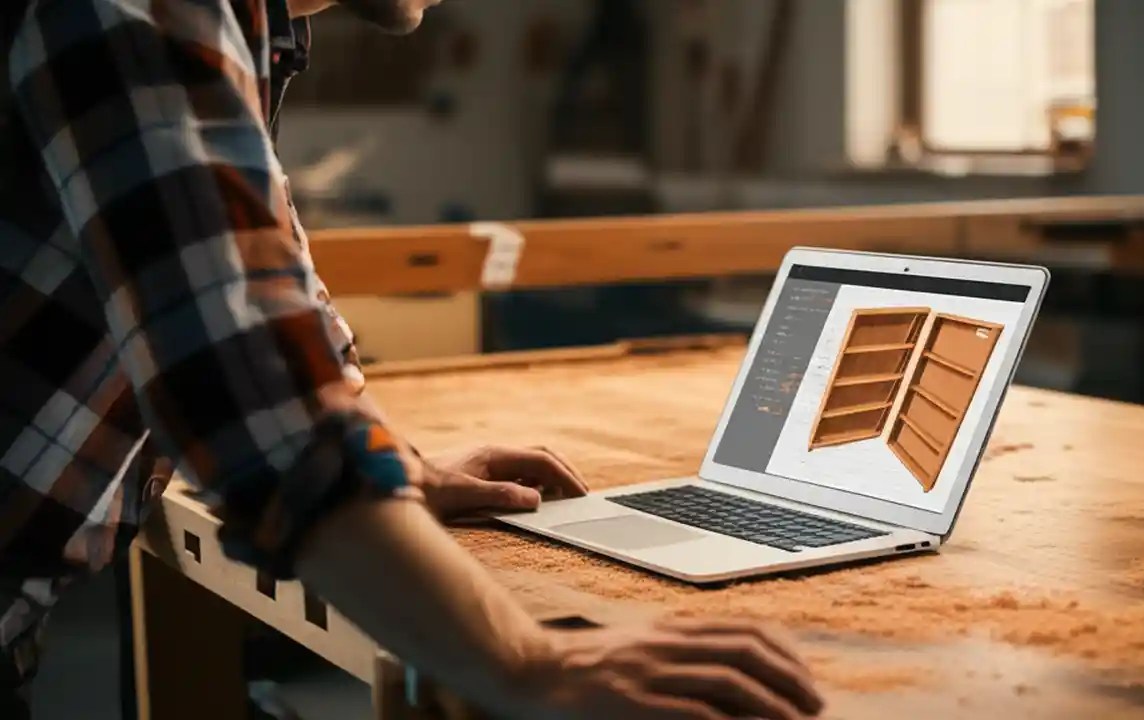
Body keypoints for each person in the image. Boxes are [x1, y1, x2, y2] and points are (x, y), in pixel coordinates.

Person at [0, 1, 825, 718]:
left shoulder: (247, 36)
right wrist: (530, 664)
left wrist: (399, 467)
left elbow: (268, 307)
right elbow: (256, 398)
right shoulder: (144, 8)